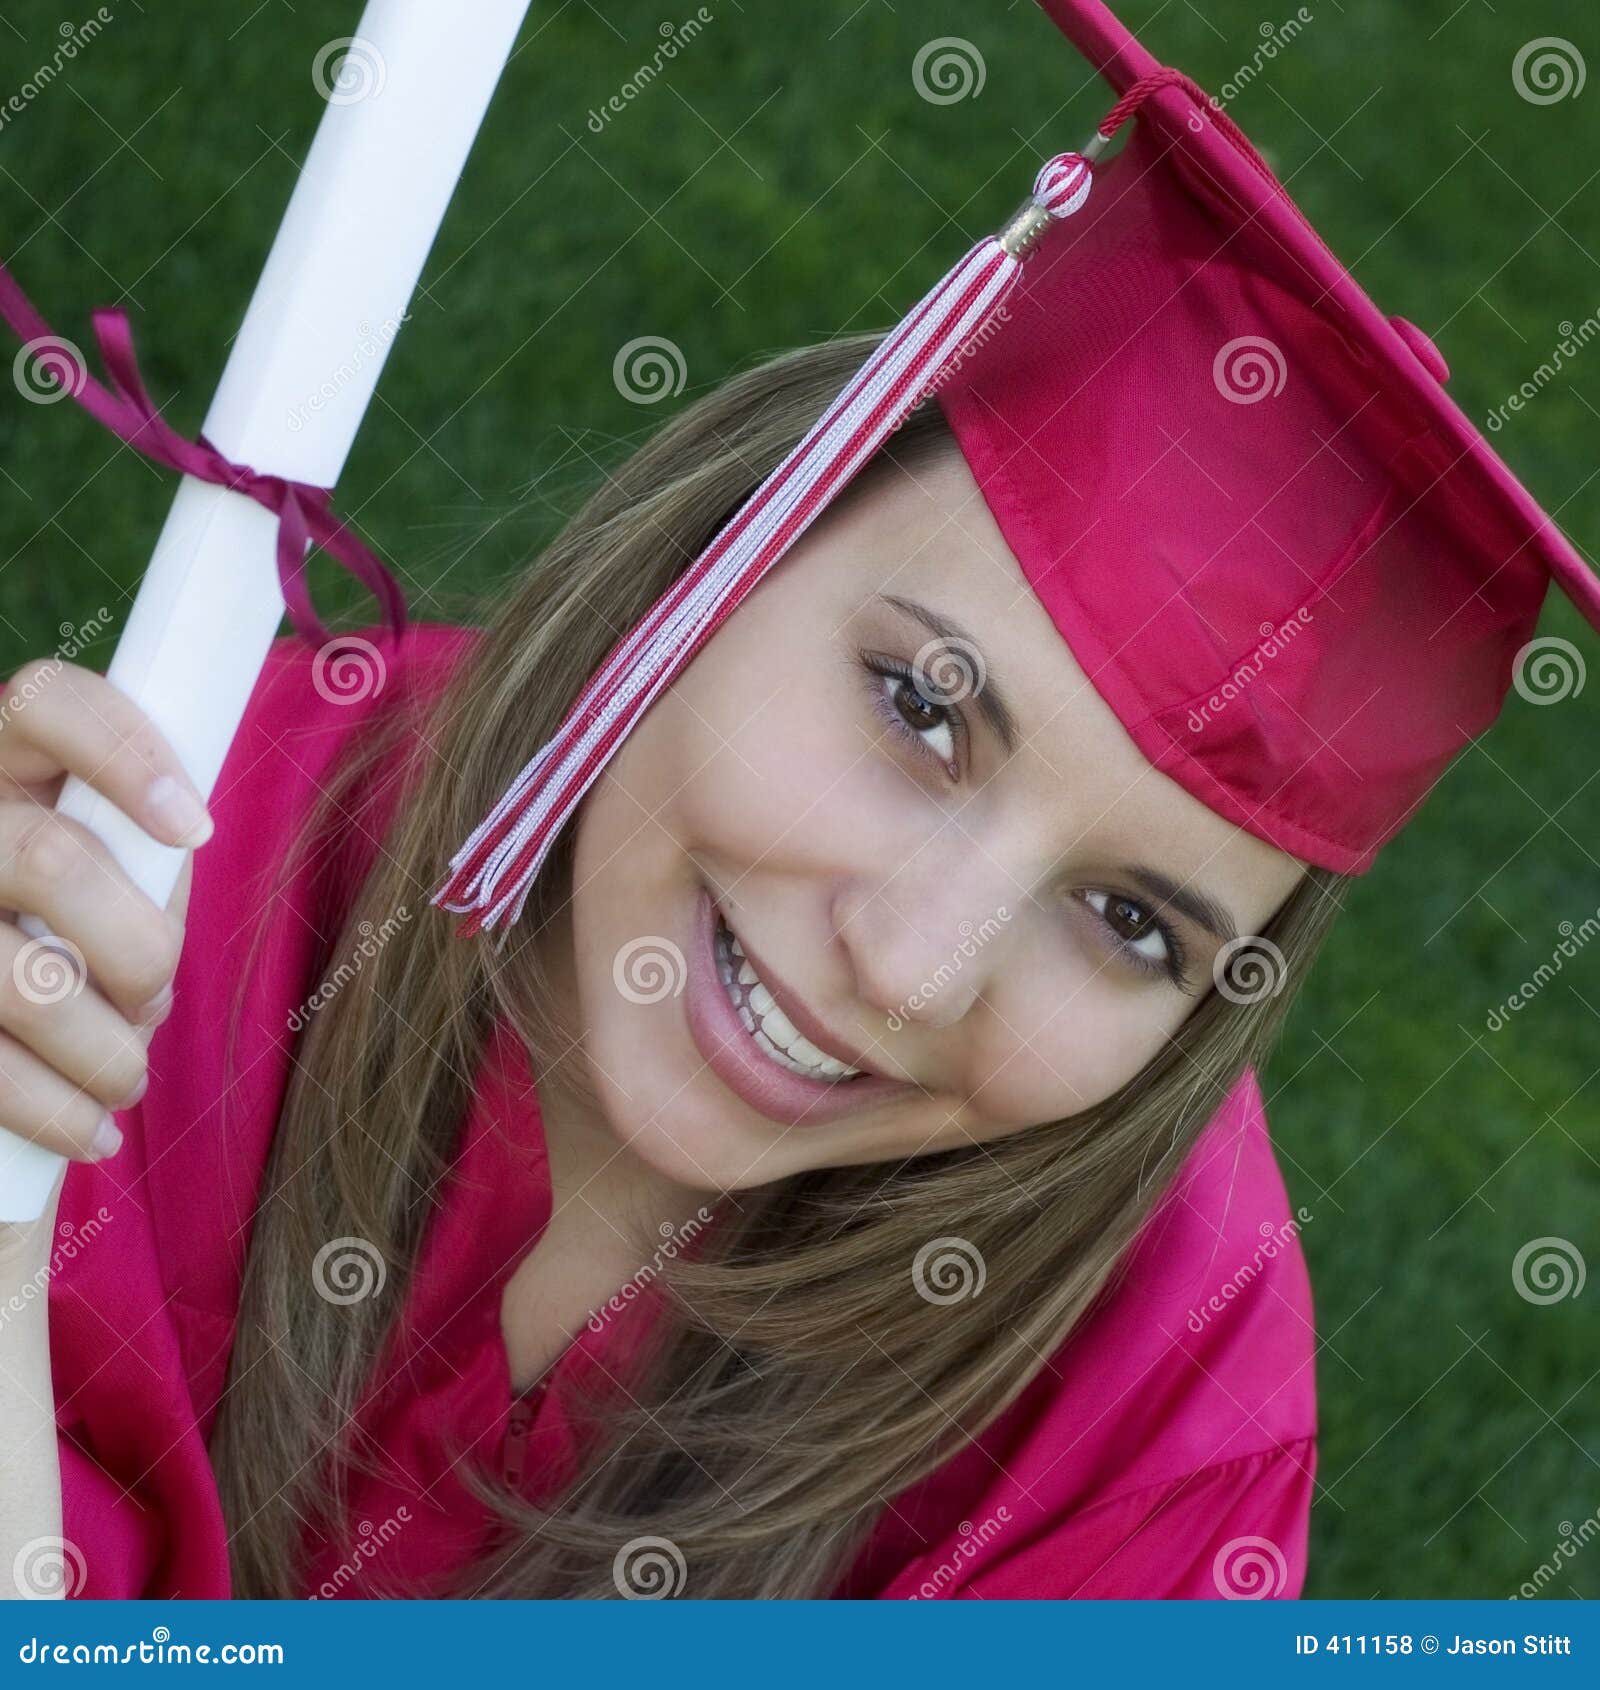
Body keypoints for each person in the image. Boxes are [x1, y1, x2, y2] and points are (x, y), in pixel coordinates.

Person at [0, 0, 1593, 1600]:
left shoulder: (1168, 1395)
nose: (912, 965)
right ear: (740, 546)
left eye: (1130, 924)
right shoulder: (184, 858)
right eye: (923, 709)